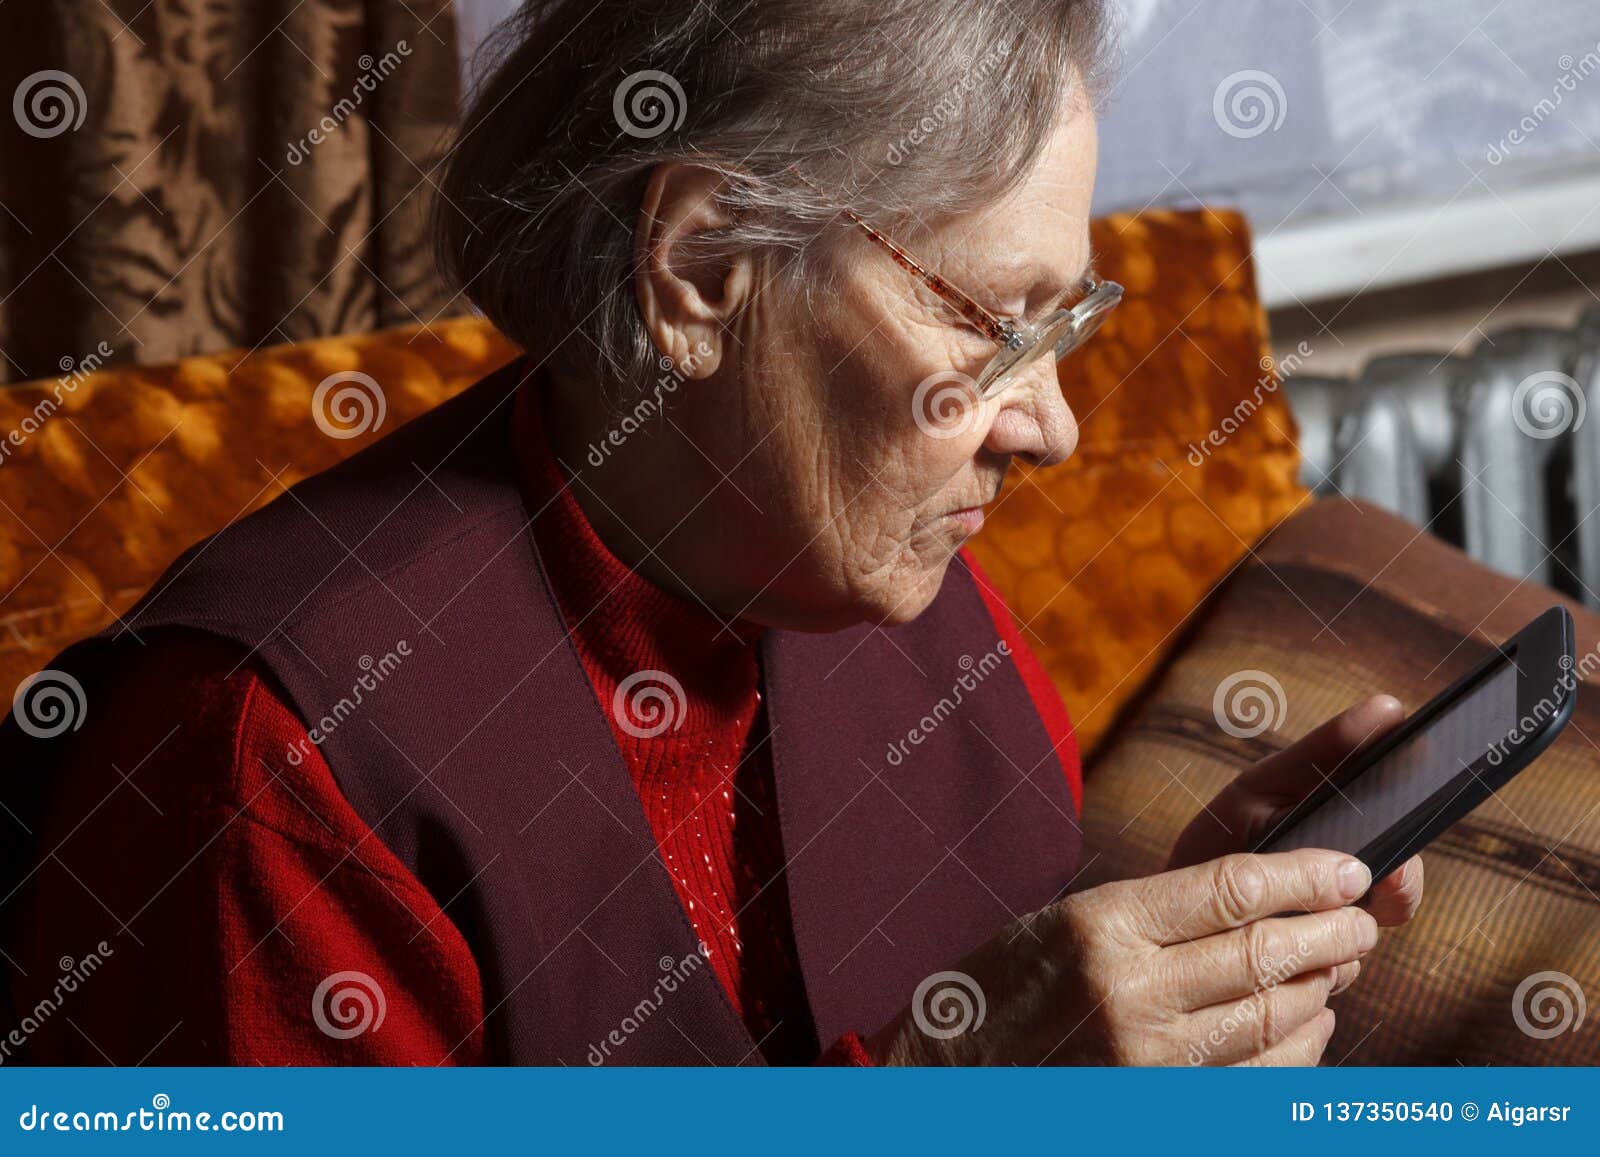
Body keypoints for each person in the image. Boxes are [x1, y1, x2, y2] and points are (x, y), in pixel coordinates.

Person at [0, 0, 1421, 1066]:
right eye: (991, 323)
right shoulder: (265, 750)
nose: (1051, 425)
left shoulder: (885, 568)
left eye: (1066, 320)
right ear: (698, 271)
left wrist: (1174, 960)